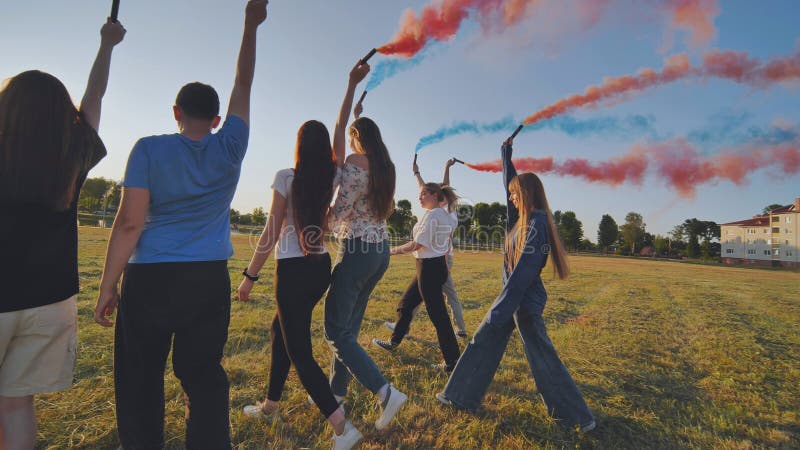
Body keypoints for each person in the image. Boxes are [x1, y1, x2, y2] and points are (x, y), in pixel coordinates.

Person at [92, 2, 267, 448]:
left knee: (139, 380)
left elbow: (130, 224)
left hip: (151, 279)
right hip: (208, 280)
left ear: (175, 112)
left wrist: (107, 285)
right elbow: (243, 82)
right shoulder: (230, 146)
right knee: (203, 376)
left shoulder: (148, 149)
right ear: (215, 119)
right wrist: (250, 25)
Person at [0, 17, 125, 450]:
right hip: (51, 301)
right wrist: (107, 45)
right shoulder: (72, 152)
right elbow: (95, 97)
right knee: (16, 405)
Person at [435, 137, 595, 432]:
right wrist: (506, 154)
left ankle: (579, 418)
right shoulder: (520, 222)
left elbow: (522, 274)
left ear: (526, 194)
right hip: (514, 302)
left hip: (521, 304)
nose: (510, 198)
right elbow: (508, 182)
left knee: (542, 359)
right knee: (483, 344)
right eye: (510, 194)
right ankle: (458, 396)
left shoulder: (536, 227)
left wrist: (499, 311)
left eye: (514, 194)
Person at [236, 118, 365, 449]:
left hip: (293, 271)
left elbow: (271, 232)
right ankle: (270, 405)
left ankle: (342, 428)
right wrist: (349, 94)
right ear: (325, 150)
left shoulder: (286, 177)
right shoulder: (330, 177)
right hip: (320, 269)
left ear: (298, 145)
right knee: (280, 331)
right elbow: (339, 143)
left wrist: (250, 276)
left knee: (300, 352)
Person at [323, 62, 407, 431]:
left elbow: (340, 209)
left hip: (356, 250)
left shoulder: (355, 163)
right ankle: (336, 393)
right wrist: (357, 112)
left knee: (335, 332)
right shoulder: (385, 165)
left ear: (358, 138)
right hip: (380, 252)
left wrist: (349, 85)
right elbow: (350, 126)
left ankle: (386, 392)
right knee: (349, 329)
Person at [372, 183, 461, 372]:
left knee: (438, 315)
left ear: (435, 195)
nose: (419, 197)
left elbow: (417, 244)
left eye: (423, 194)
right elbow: (445, 242)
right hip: (433, 266)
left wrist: (390, 251)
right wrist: (444, 265)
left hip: (429, 268)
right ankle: (394, 341)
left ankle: (453, 361)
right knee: (406, 304)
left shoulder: (433, 215)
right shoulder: (445, 215)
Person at [385, 157, 468, 338]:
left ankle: (458, 331)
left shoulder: (446, 211)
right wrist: (417, 173)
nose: (424, 196)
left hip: (442, 258)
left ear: (441, 197)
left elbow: (440, 186)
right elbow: (426, 189)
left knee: (437, 295)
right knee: (425, 293)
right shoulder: (439, 210)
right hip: (434, 258)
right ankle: (403, 326)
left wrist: (445, 168)